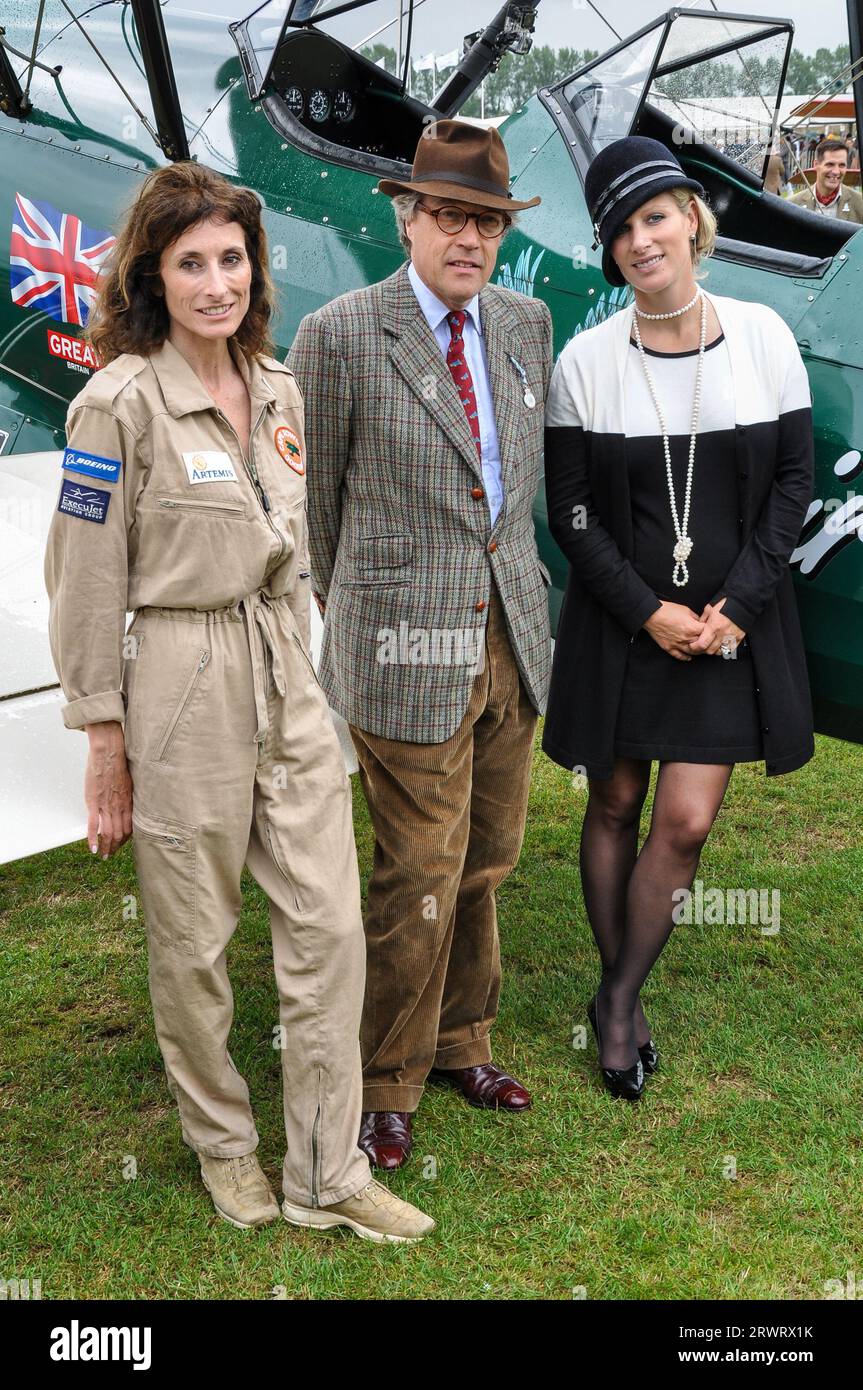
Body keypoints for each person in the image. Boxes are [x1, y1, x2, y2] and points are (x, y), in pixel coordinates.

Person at [44, 162, 433, 1242]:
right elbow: (82, 581)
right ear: (153, 277)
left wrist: (301, 665)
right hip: (180, 677)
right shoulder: (115, 403)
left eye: (232, 259)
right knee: (193, 942)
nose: (216, 282)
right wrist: (104, 741)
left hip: (282, 669)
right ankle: (223, 1146)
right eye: (191, 263)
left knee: (327, 927)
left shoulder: (276, 387)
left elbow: (294, 544)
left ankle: (324, 1167)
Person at [288, 120, 553, 1169]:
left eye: (486, 220)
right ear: (406, 218)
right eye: (449, 215)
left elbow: (517, 499)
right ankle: (383, 1080)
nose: (469, 238)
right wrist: (358, 618)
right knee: (419, 865)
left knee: (486, 859)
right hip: (400, 647)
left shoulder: (527, 327)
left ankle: (462, 1038)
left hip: (510, 636)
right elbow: (311, 515)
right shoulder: (343, 333)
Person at [543, 136, 815, 1101]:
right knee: (613, 802)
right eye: (620, 231)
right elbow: (568, 511)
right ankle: (623, 1009)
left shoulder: (763, 337)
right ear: (609, 253)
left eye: (654, 216)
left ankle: (614, 995)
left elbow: (792, 484)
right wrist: (648, 611)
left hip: (728, 627)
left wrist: (733, 606)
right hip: (623, 625)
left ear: (691, 216)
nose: (640, 240)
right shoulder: (584, 361)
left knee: (686, 821)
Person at [789, 137, 863, 222]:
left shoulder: (860, 204)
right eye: (830, 164)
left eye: (842, 165)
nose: (836, 171)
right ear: (816, 164)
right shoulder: (793, 204)